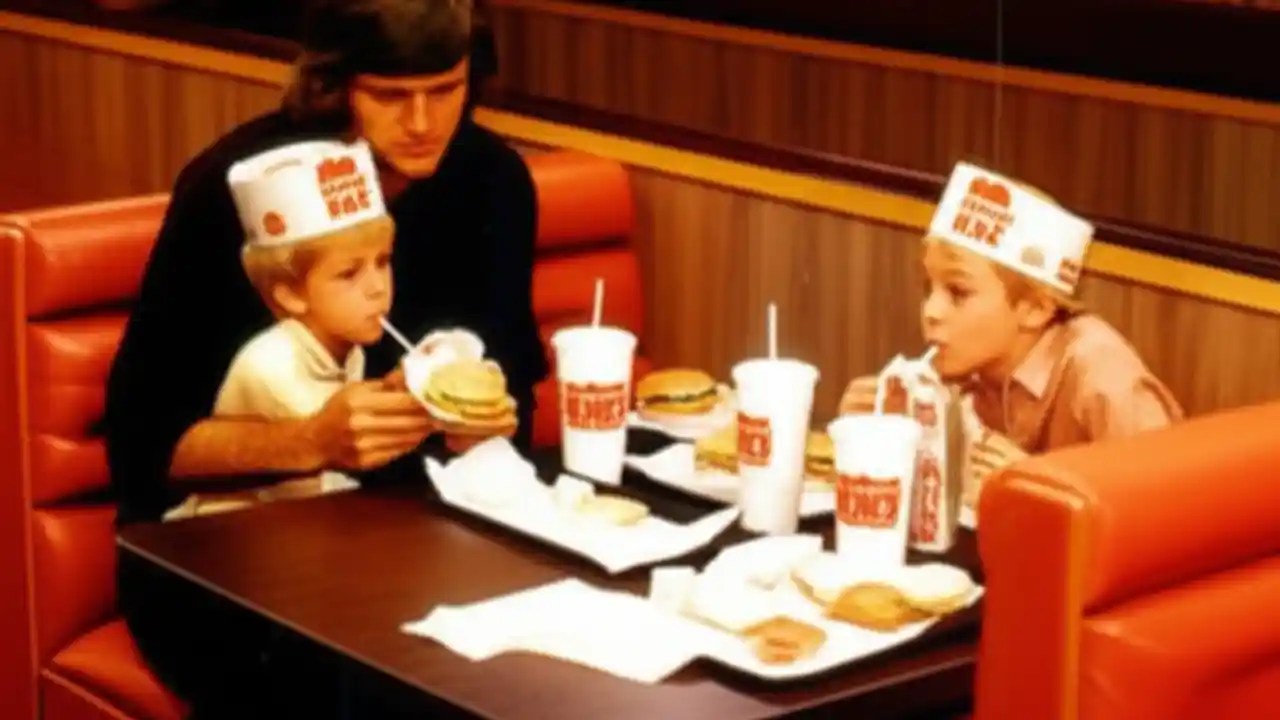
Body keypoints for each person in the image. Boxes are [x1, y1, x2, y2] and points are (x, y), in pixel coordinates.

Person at [104, 1, 547, 715]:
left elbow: (513, 398)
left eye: (446, 90)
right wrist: (312, 441)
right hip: (212, 553)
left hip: (416, 541)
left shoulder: (491, 181)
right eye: (392, 96)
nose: (425, 121)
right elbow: (143, 445)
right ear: (336, 86)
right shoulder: (233, 188)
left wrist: (482, 418)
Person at [839, 161, 1183, 508]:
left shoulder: (1102, 376)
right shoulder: (962, 373)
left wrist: (1049, 491)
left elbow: (1170, 510)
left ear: (1034, 308)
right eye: (928, 287)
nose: (931, 311)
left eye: (958, 292)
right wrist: (880, 440)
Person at [161, 138, 396, 521]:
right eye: (349, 273)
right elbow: (306, 492)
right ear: (290, 295)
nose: (377, 287)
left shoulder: (350, 349)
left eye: (383, 262)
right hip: (232, 536)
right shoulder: (271, 367)